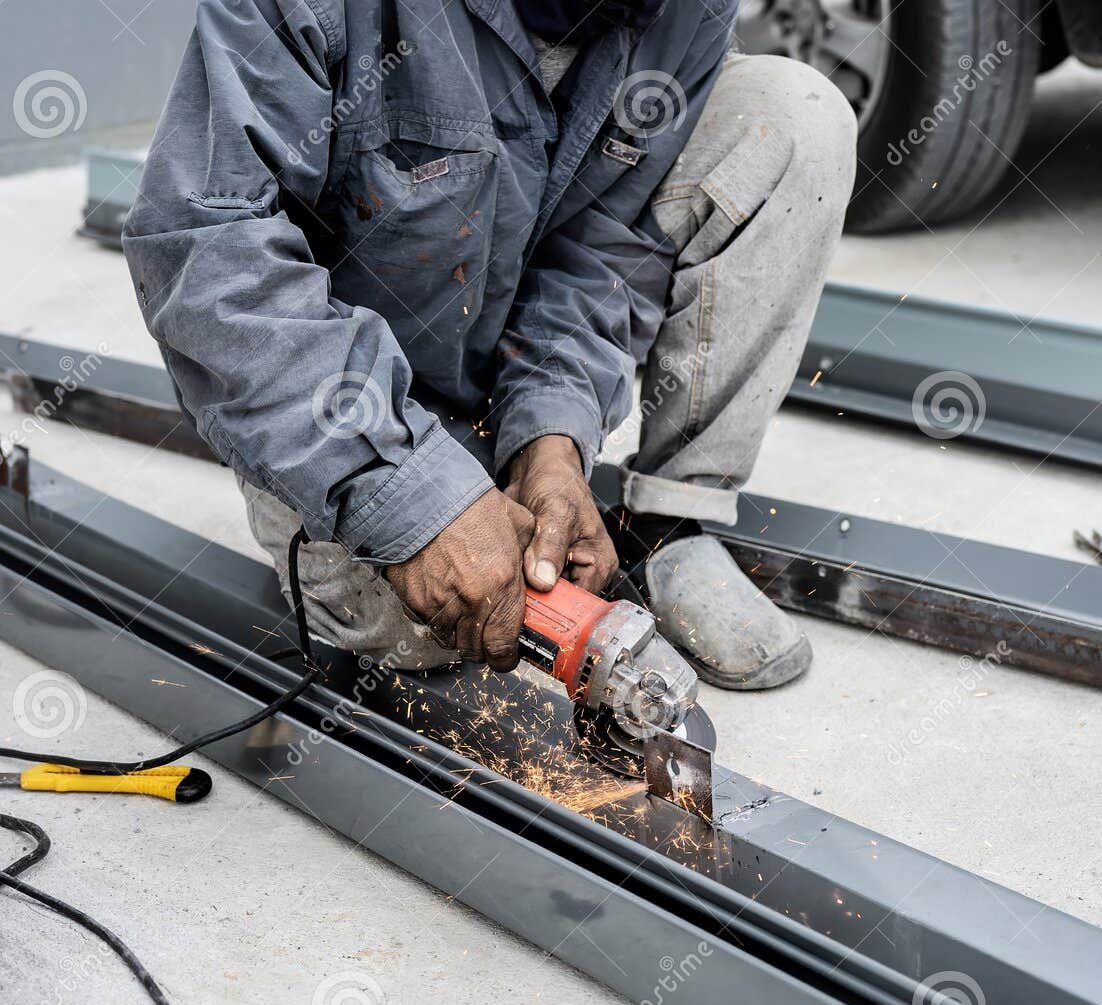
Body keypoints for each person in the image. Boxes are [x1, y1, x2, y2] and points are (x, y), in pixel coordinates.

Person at [123, 0, 856, 691]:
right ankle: (403, 489)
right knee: (433, 630)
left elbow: (601, 248)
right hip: (337, 413)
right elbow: (204, 249)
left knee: (794, 116)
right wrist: (406, 492)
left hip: (497, 375)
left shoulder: (680, 12)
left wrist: (553, 438)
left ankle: (665, 526)